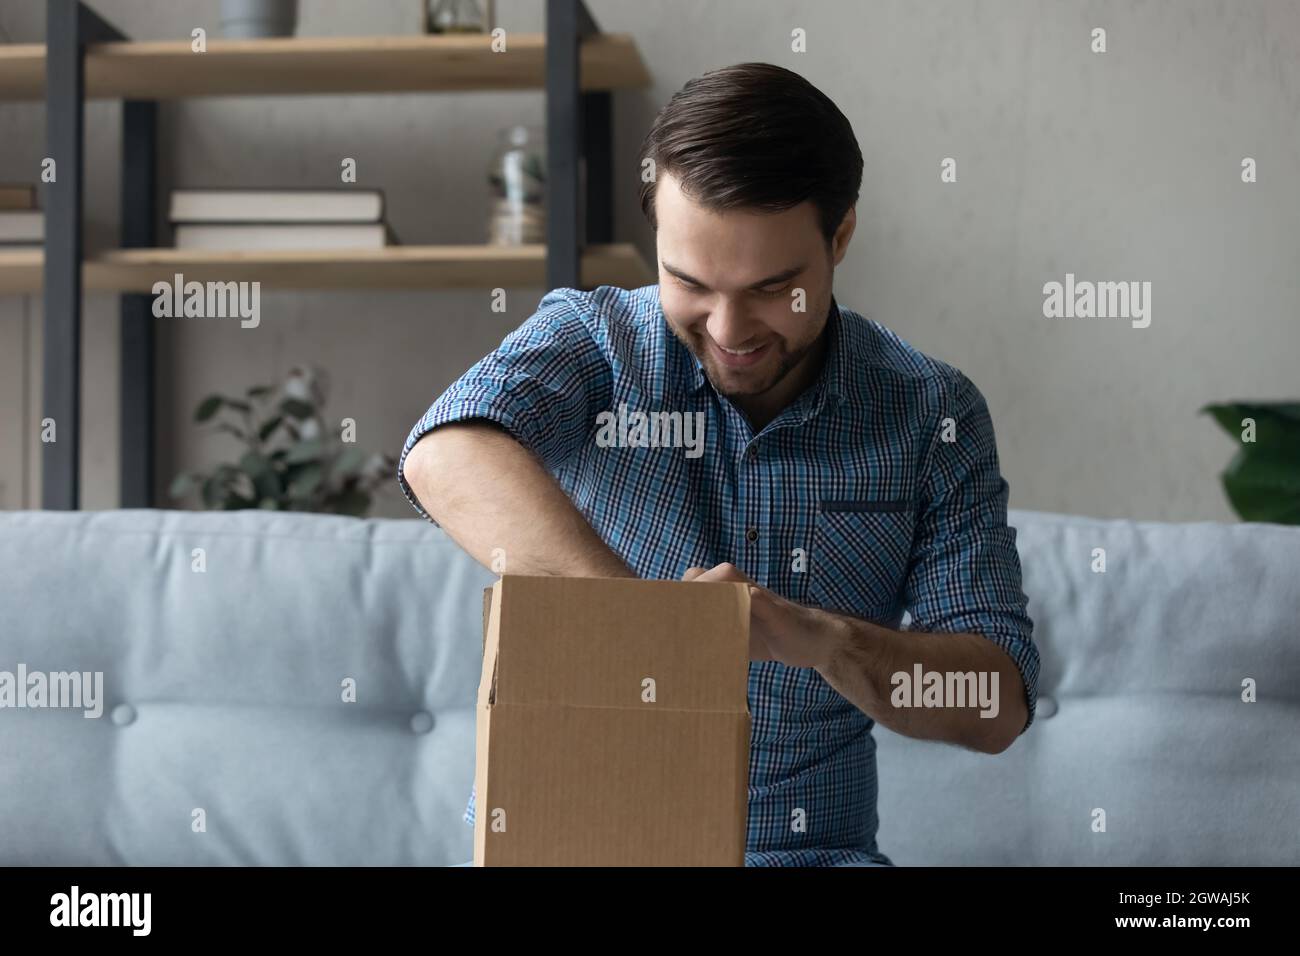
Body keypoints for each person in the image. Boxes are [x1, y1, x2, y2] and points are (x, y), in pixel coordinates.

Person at [399, 62, 1039, 867]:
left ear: (840, 236)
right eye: (689, 282)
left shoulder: (930, 413)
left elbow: (997, 706)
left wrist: (823, 642)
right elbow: (443, 451)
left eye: (774, 288)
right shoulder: (593, 341)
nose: (730, 328)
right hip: (571, 839)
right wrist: (656, 631)